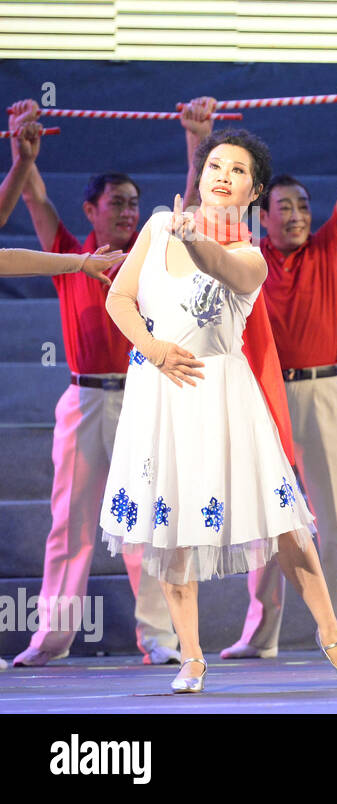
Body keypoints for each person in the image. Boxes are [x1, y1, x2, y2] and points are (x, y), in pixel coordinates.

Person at [100, 128, 337, 692]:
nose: (223, 175)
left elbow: (224, 268)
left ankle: (330, 633)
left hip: (223, 393)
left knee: (284, 524)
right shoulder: (155, 226)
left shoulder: (250, 256)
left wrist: (195, 239)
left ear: (254, 189)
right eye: (215, 164)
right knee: (169, 529)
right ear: (199, 175)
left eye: (238, 169)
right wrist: (152, 350)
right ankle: (192, 655)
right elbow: (118, 297)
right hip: (159, 391)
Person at [6, 99, 179, 668]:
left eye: (134, 203)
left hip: (141, 398)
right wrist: (23, 152)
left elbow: (191, 210)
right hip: (82, 397)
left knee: (146, 521)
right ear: (91, 210)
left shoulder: (155, 258)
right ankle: (52, 637)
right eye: (117, 203)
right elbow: (32, 197)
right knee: (70, 524)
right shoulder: (65, 254)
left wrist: (194, 137)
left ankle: (159, 635)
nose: (129, 212)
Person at [218, 87, 337, 661]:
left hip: (322, 390)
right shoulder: (247, 258)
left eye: (302, 207)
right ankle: (260, 634)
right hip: (264, 397)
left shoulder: (328, 248)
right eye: (284, 207)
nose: (296, 216)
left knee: (336, 515)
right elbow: (212, 203)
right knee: (269, 515)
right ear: (261, 216)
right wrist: (203, 138)